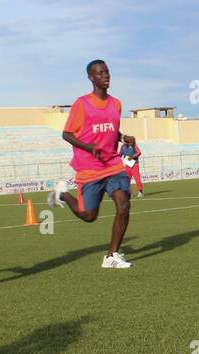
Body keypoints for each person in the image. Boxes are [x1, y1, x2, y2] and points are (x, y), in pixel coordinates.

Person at [47, 59, 136, 268]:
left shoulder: (116, 104)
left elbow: (111, 131)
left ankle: (111, 255)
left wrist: (123, 138)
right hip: (89, 167)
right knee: (88, 216)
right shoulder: (82, 104)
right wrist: (89, 148)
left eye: (107, 72)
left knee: (124, 205)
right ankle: (62, 194)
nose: (105, 76)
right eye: (100, 73)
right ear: (91, 77)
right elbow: (66, 134)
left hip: (113, 165)